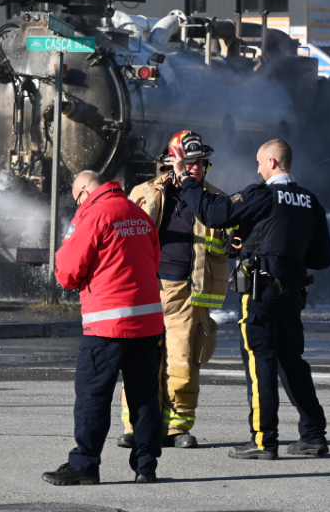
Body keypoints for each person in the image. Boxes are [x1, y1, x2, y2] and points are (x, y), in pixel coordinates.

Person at [171, 138, 330, 460]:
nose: (257, 169)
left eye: (260, 163)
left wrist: (188, 180)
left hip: (260, 295)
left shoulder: (263, 193)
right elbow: (322, 257)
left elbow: (213, 213)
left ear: (272, 163)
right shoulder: (310, 201)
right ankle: (313, 436)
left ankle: (263, 441)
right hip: (292, 296)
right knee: (293, 364)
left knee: (261, 364)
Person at [43, 170, 164, 486]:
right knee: (144, 398)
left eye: (75, 199)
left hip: (107, 325)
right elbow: (153, 262)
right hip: (148, 322)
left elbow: (67, 272)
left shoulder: (92, 215)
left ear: (84, 191)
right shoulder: (139, 214)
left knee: (92, 396)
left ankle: (85, 464)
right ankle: (146, 466)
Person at [117, 131, 228, 450]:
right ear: (170, 163)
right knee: (140, 360)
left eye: (199, 163)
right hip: (146, 289)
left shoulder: (214, 201)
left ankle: (176, 427)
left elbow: (232, 237)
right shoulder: (143, 193)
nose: (193, 169)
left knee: (182, 359)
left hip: (187, 291)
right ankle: (134, 424)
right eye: (187, 163)